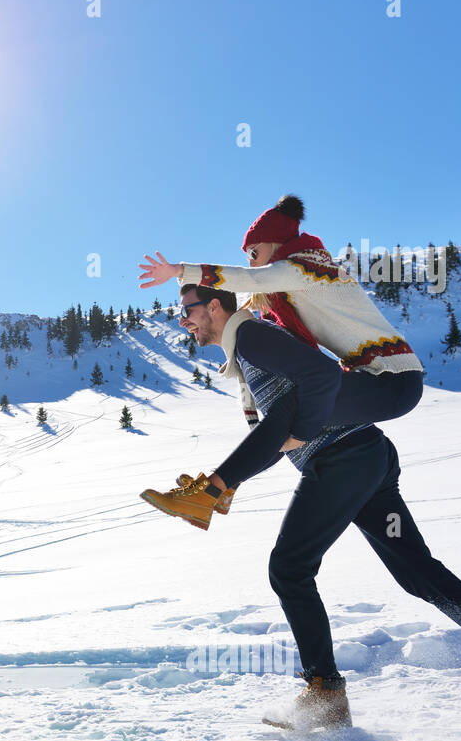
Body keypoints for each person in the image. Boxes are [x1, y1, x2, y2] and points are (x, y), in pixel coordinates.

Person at [141, 283, 461, 730]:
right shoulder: (252, 347)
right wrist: (232, 483)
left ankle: (325, 695)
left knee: (290, 569)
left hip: (342, 463)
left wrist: (223, 482)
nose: (182, 320)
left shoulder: (252, 336)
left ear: (214, 305)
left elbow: (322, 382)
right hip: (368, 461)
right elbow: (282, 434)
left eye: (186, 310)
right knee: (419, 572)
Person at [138, 195, 424, 511]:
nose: (251, 262)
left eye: (253, 253)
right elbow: (250, 306)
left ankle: (210, 494)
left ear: (275, 243)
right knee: (288, 413)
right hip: (375, 379)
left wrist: (182, 270)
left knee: (293, 410)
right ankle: (221, 489)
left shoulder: (304, 266)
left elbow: (250, 280)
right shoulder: (291, 283)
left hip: (394, 379)